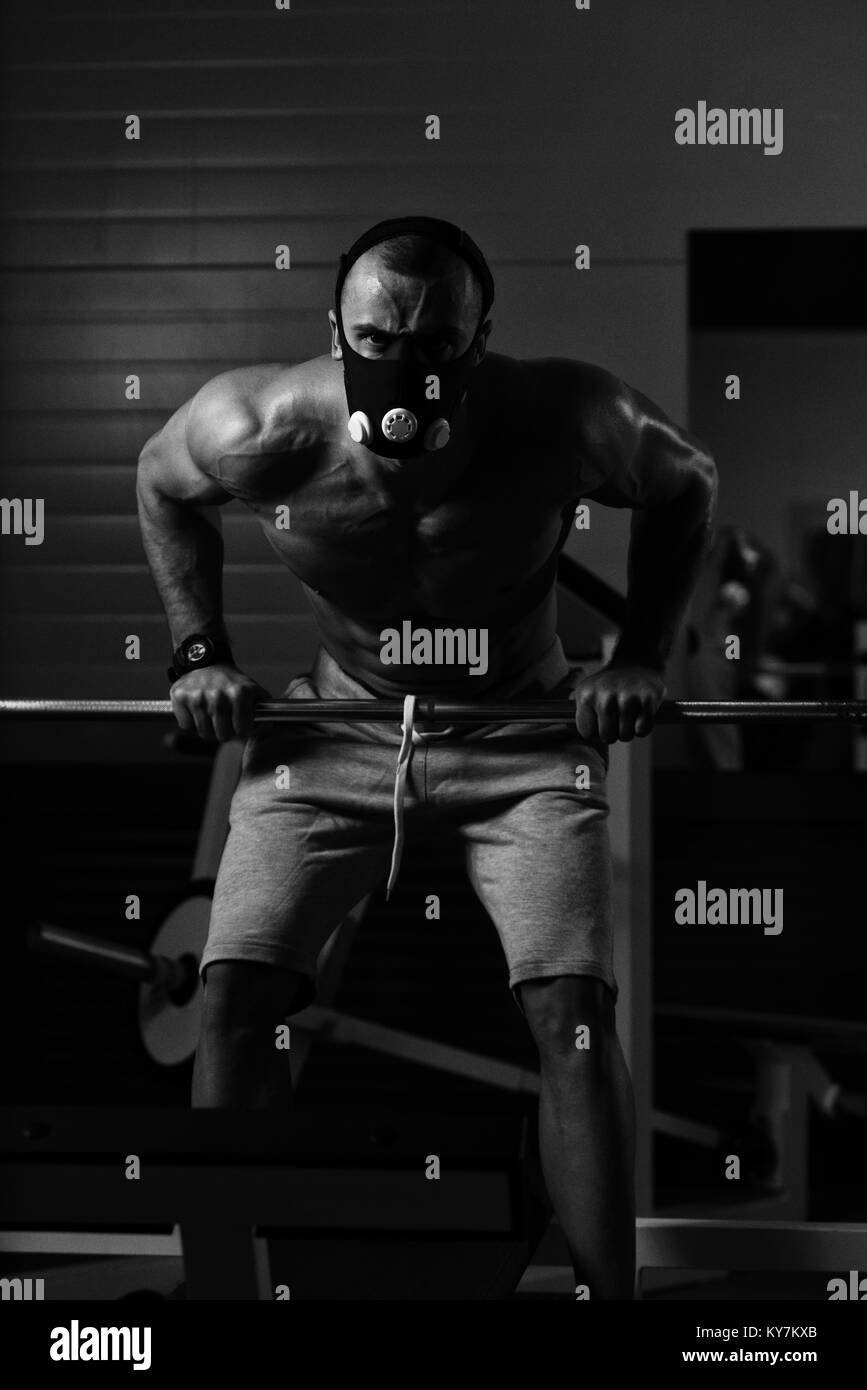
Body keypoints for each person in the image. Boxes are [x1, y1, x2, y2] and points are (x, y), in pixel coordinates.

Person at [137, 215, 717, 1299]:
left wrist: (638, 655)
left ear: (479, 337)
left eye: (436, 343)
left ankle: (610, 1308)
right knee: (229, 995)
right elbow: (159, 481)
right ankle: (217, 1296)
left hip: (526, 738)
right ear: (336, 329)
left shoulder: (563, 418)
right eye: (375, 336)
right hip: (341, 731)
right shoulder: (260, 423)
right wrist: (198, 655)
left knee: (573, 1017)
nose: (405, 365)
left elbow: (686, 479)